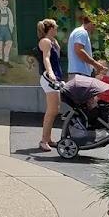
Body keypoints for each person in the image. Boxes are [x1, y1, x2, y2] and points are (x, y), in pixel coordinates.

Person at [35, 18, 63, 151]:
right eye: (56, 27)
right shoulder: (45, 41)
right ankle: (43, 140)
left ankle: (49, 139)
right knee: (52, 110)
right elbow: (46, 58)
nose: (57, 29)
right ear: (50, 28)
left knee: (55, 109)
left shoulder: (51, 41)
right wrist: (50, 72)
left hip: (54, 78)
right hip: (49, 79)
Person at [66, 15, 103, 80]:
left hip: (78, 73)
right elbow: (79, 50)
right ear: (91, 23)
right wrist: (95, 64)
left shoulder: (79, 32)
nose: (95, 28)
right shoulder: (82, 32)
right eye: (95, 25)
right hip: (80, 74)